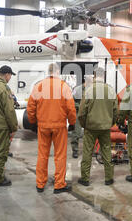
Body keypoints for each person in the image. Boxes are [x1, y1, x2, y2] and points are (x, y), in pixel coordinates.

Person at [27, 63, 76, 194]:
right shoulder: (63, 86)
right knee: (60, 155)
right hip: (59, 126)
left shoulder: (39, 86)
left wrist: (33, 121)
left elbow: (30, 107)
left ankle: (40, 184)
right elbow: (71, 108)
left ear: (48, 72)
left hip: (43, 126)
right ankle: (59, 184)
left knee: (42, 155)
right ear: (58, 72)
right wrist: (72, 122)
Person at [77, 67, 118, 186]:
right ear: (103, 76)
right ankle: (109, 178)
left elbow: (81, 112)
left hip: (91, 127)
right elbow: (116, 110)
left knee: (87, 152)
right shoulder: (110, 90)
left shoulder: (89, 90)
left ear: (94, 76)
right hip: (105, 127)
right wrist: (110, 123)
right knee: (106, 151)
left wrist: (84, 124)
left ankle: (85, 179)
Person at [70, 76, 93, 158]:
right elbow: (71, 101)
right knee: (76, 132)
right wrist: (80, 107)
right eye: (90, 82)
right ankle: (75, 150)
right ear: (86, 81)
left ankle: (89, 150)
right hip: (78, 113)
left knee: (90, 133)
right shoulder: (77, 90)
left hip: (88, 114)